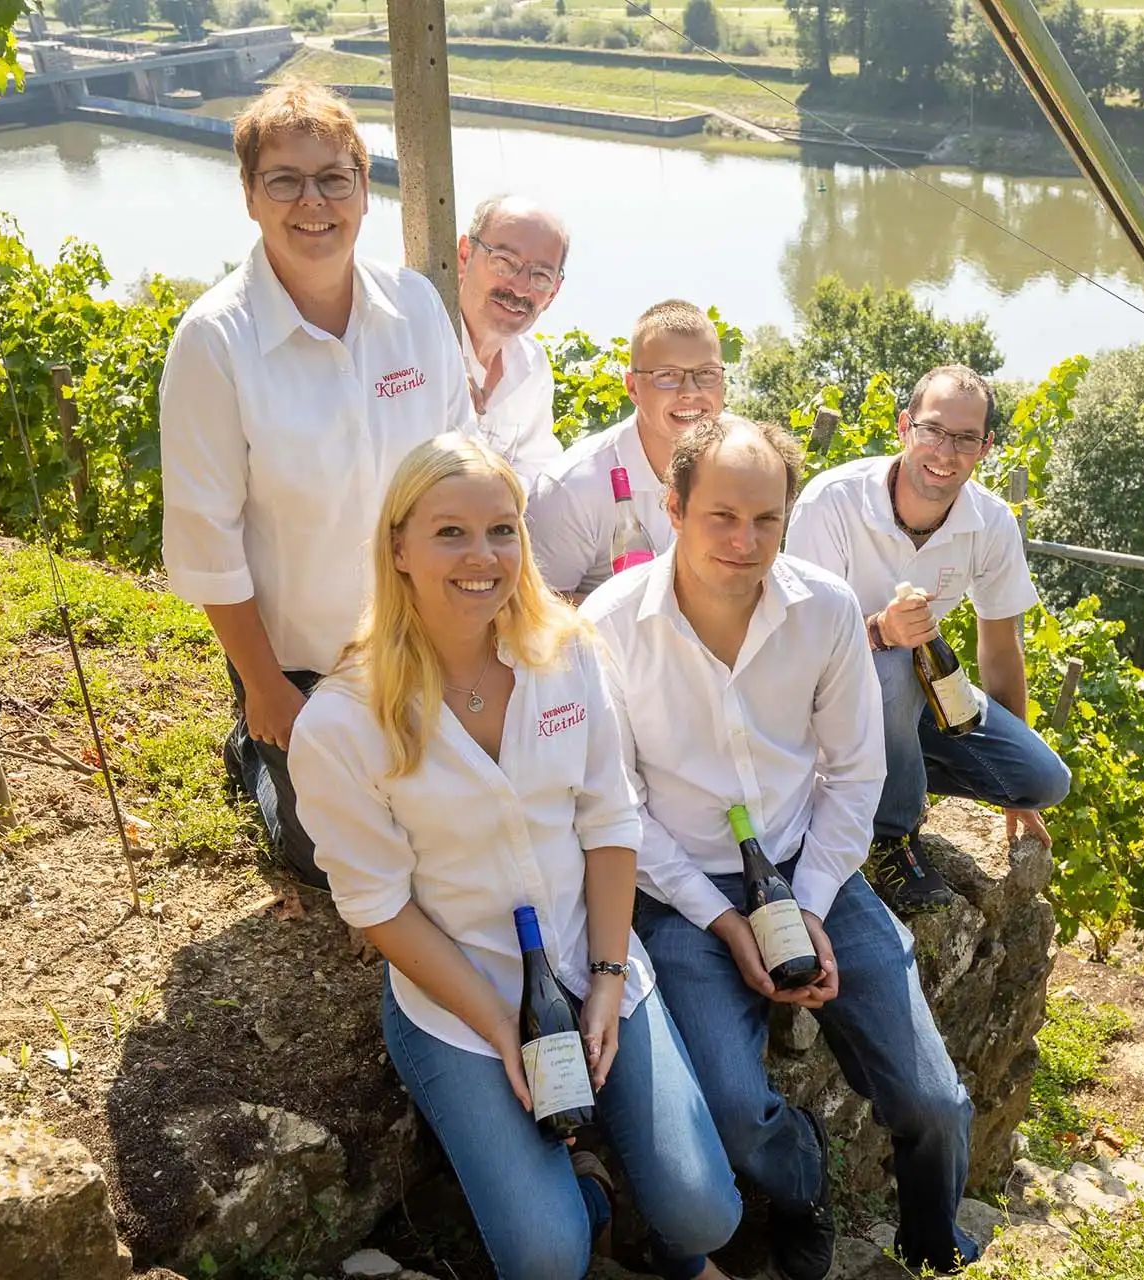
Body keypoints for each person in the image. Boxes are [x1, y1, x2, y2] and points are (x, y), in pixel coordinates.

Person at [290, 435, 741, 1280]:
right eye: (450, 532)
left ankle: (646, 1225)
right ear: (398, 547)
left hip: (591, 955)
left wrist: (607, 977)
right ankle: (591, 1206)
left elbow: (610, 820)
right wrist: (503, 1027)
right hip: (459, 1003)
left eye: (502, 530)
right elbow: (379, 905)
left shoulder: (566, 653)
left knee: (705, 1211)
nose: (481, 557)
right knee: (544, 1258)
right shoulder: (341, 724)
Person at [583, 415, 981, 1279]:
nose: (745, 540)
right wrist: (727, 924)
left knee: (936, 1104)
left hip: (814, 867)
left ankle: (931, 1248)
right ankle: (804, 1183)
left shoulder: (827, 610)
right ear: (674, 508)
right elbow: (621, 809)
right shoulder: (609, 625)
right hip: (684, 891)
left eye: (767, 519)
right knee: (730, 1112)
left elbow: (852, 774)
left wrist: (812, 901)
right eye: (722, 515)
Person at [159, 82, 470, 890]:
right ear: (251, 197)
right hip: (302, 667)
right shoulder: (213, 343)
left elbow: (462, 471)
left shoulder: (416, 307)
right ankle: (256, 752)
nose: (314, 202)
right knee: (337, 868)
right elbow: (207, 540)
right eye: (285, 180)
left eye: (335, 177)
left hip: (427, 643)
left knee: (447, 838)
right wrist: (266, 688)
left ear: (365, 190)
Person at [787, 365, 1070, 915]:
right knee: (892, 661)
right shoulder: (833, 502)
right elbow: (797, 642)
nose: (946, 451)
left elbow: (1000, 649)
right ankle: (894, 837)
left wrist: (1008, 795)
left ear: (985, 448)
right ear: (904, 427)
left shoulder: (990, 523)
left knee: (1043, 780)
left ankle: (887, 774)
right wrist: (875, 630)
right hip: (821, 702)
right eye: (934, 430)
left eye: (966, 438)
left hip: (910, 701)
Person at [528, 300, 725, 600]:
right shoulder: (571, 490)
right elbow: (536, 611)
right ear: (632, 388)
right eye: (667, 375)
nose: (690, 391)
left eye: (707, 374)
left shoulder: (748, 464)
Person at [458, 195, 569, 486]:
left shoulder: (533, 366)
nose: (520, 288)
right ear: (464, 255)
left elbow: (537, 471)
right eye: (505, 263)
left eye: (541, 276)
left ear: (553, 293)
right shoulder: (416, 347)